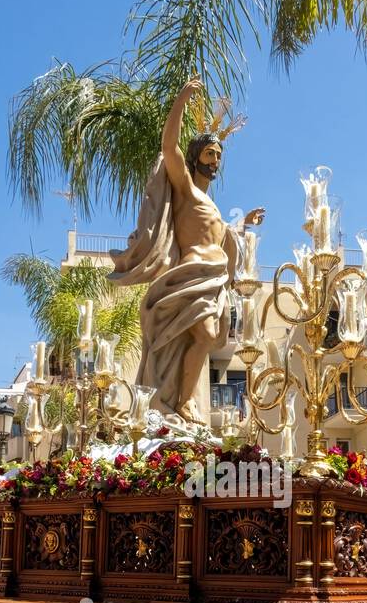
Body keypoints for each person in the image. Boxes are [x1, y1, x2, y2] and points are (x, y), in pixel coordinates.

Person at [109, 76, 264, 424]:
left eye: (219, 154)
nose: (216, 159)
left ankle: (182, 401)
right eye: (210, 153)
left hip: (213, 279)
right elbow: (169, 148)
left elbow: (219, 235)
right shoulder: (187, 192)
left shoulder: (212, 207)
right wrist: (181, 99)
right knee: (207, 335)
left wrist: (244, 226)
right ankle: (184, 403)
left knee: (204, 339)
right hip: (190, 276)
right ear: (196, 157)